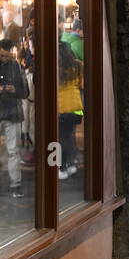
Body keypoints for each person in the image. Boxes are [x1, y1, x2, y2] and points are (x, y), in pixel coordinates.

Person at [0, 38, 29, 198]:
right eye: (2, 56)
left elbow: (25, 92)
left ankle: (15, 184)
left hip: (11, 113)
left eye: (7, 56)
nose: (4, 58)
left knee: (13, 151)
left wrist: (13, 89)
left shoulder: (16, 66)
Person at [57, 39, 84, 180]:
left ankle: (60, 167)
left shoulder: (56, 69)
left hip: (61, 108)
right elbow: (81, 85)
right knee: (69, 136)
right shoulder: (78, 66)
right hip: (76, 108)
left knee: (60, 138)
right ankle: (70, 164)